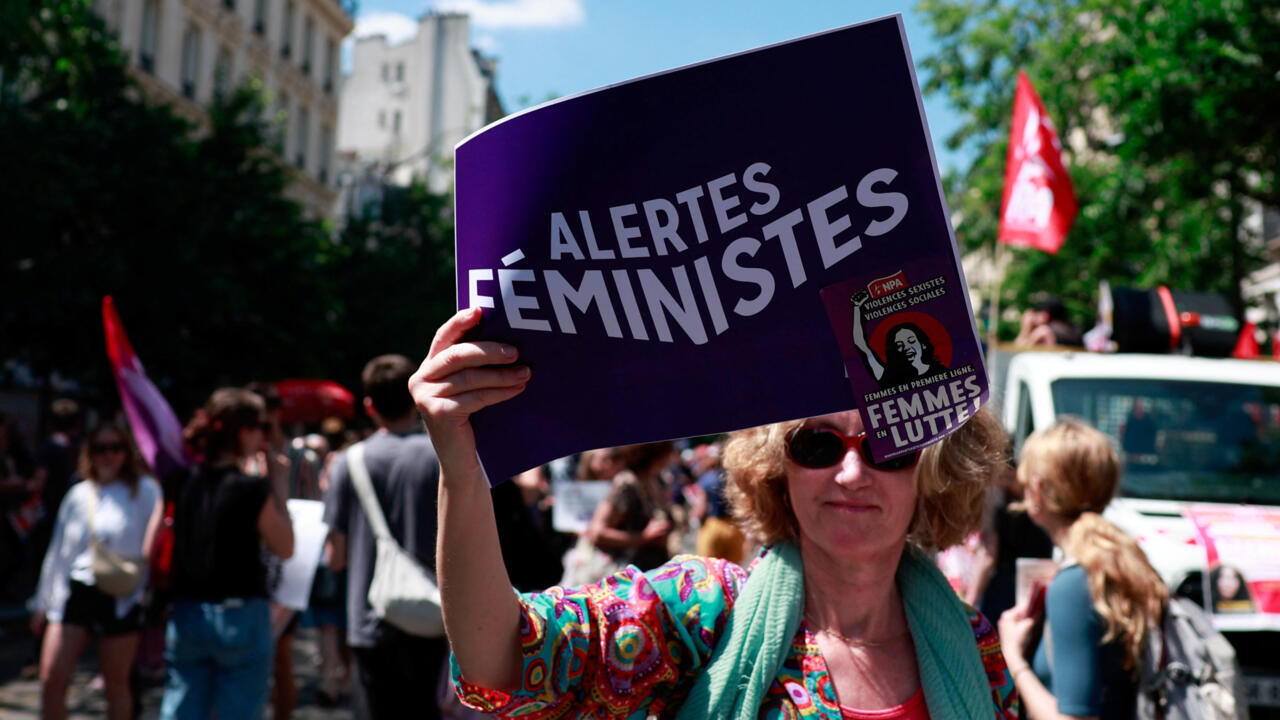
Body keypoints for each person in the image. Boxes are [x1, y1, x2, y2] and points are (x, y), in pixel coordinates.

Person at [410, 307, 1019, 719]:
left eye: (892, 448)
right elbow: (505, 659)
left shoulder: (974, 643)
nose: (852, 473)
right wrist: (463, 473)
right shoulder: (701, 609)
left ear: (934, 472)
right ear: (778, 465)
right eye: (817, 444)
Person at [997, 420, 1167, 720]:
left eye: (1024, 483)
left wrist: (1013, 659)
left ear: (1037, 489)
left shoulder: (1073, 585)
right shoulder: (1123, 563)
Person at [322, 354, 446, 720]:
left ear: (369, 405)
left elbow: (336, 557)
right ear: (415, 398)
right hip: (433, 614)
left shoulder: (349, 461)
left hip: (370, 618)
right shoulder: (443, 457)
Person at [160, 388, 294, 720]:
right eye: (260, 426)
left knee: (182, 708)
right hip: (241, 616)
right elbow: (286, 546)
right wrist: (279, 484)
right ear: (244, 432)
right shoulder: (249, 488)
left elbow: (155, 542)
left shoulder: (182, 478)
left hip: (187, 612)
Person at [30, 422, 163, 720]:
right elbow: (59, 553)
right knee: (52, 680)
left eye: (116, 448)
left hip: (123, 596)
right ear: (90, 452)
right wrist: (43, 602)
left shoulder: (144, 490)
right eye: (101, 448)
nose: (109, 455)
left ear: (126, 452)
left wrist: (144, 594)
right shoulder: (78, 493)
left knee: (116, 687)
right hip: (77, 592)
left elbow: (153, 547)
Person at [852, 294, 947, 391]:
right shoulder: (889, 377)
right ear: (894, 350)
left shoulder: (939, 370)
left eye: (911, 341)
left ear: (923, 344)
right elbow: (860, 343)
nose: (906, 347)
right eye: (899, 345)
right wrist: (857, 307)